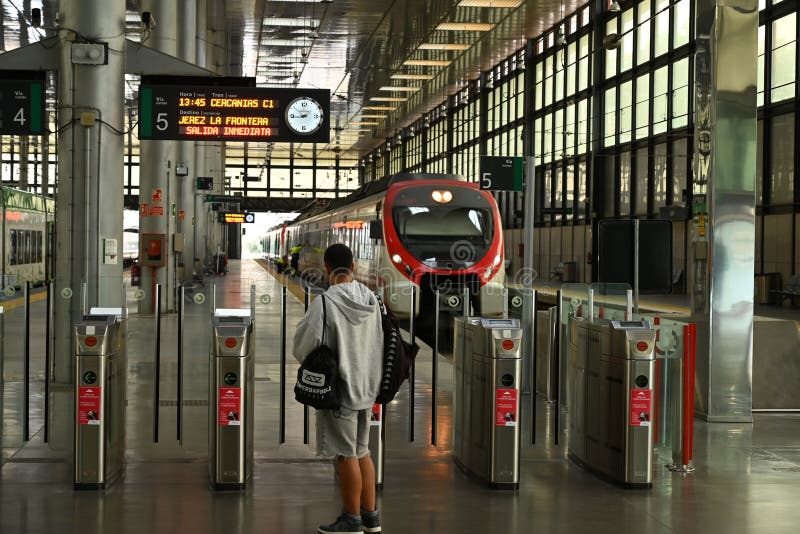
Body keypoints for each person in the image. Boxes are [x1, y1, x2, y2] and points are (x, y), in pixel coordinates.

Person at [293, 244, 384, 534]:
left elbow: (304, 345)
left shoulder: (325, 302)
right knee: (362, 451)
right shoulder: (371, 297)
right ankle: (371, 517)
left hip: (341, 389)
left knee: (345, 454)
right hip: (367, 385)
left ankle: (352, 519)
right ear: (353, 267)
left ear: (328, 269)